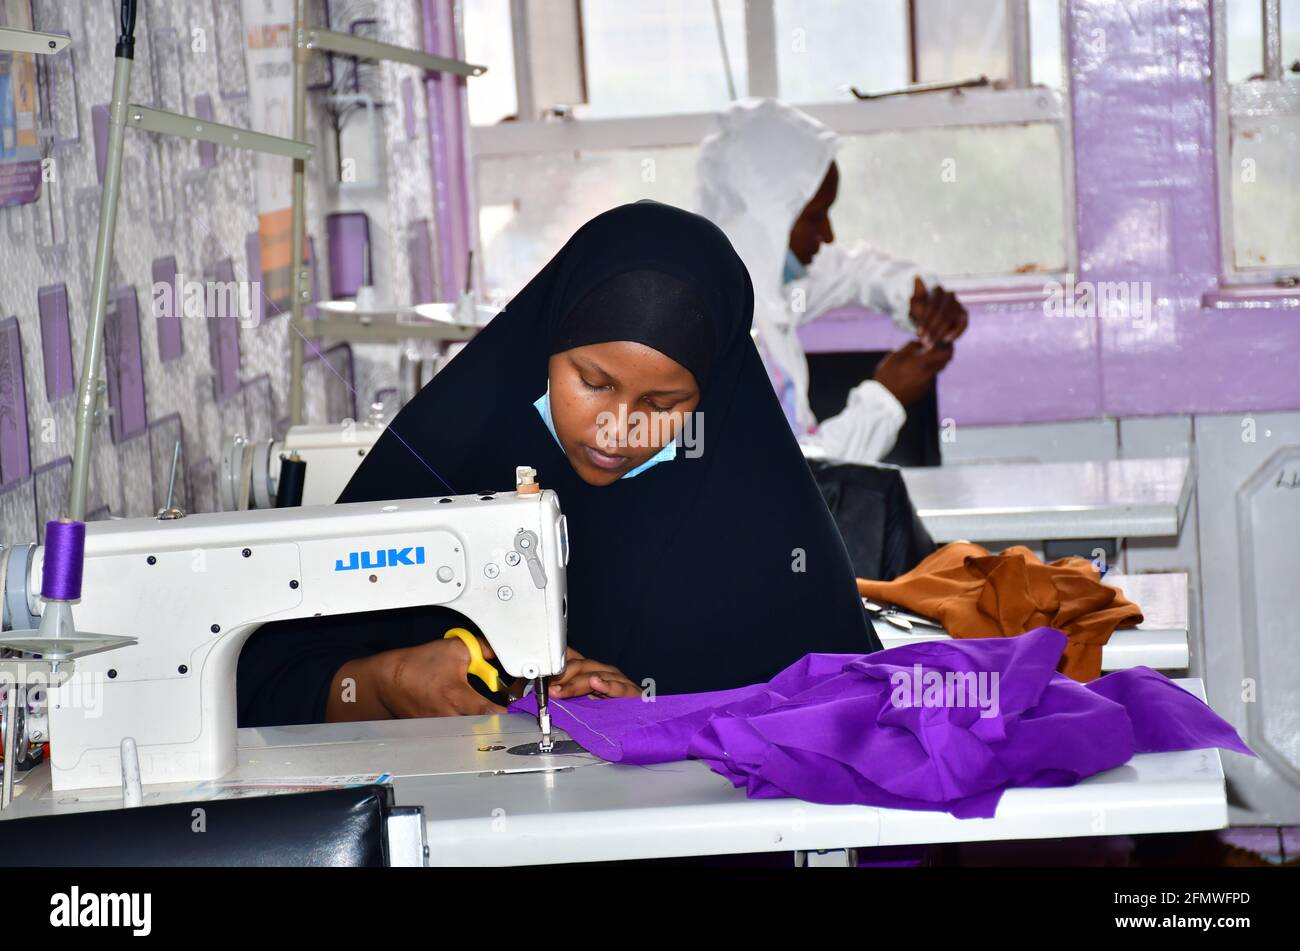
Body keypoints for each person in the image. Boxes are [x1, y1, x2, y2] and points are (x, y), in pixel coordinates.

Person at [237, 200, 881, 728]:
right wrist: (385, 683)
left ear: (710, 398)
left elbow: (841, 724)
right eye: (594, 382)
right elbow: (262, 686)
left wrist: (661, 720)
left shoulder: (762, 521)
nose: (617, 426)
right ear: (547, 347)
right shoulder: (445, 457)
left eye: (662, 403)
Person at [695, 98, 968, 464]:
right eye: (816, 217)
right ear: (769, 220)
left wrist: (915, 294)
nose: (827, 234)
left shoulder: (763, 288)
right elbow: (786, 480)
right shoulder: (719, 336)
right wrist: (885, 401)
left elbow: (851, 271)